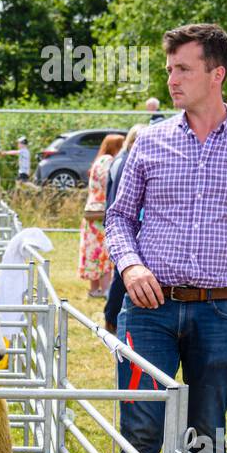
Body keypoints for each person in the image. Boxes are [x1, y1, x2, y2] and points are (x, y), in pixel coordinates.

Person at [106, 22, 227, 453]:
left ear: (216, 73)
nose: (172, 78)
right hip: (150, 309)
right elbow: (117, 218)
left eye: (183, 68)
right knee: (141, 426)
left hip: (221, 311)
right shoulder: (151, 141)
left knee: (206, 429)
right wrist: (130, 266)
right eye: (170, 68)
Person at [102, 125, 142, 335]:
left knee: (119, 274)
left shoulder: (121, 160)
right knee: (121, 275)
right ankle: (112, 318)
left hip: (118, 222)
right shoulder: (126, 161)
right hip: (122, 224)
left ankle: (111, 317)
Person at [78, 133, 123, 297]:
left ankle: (94, 289)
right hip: (102, 210)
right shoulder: (108, 161)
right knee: (103, 250)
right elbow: (107, 182)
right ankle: (105, 289)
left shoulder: (98, 160)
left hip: (92, 209)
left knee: (93, 250)